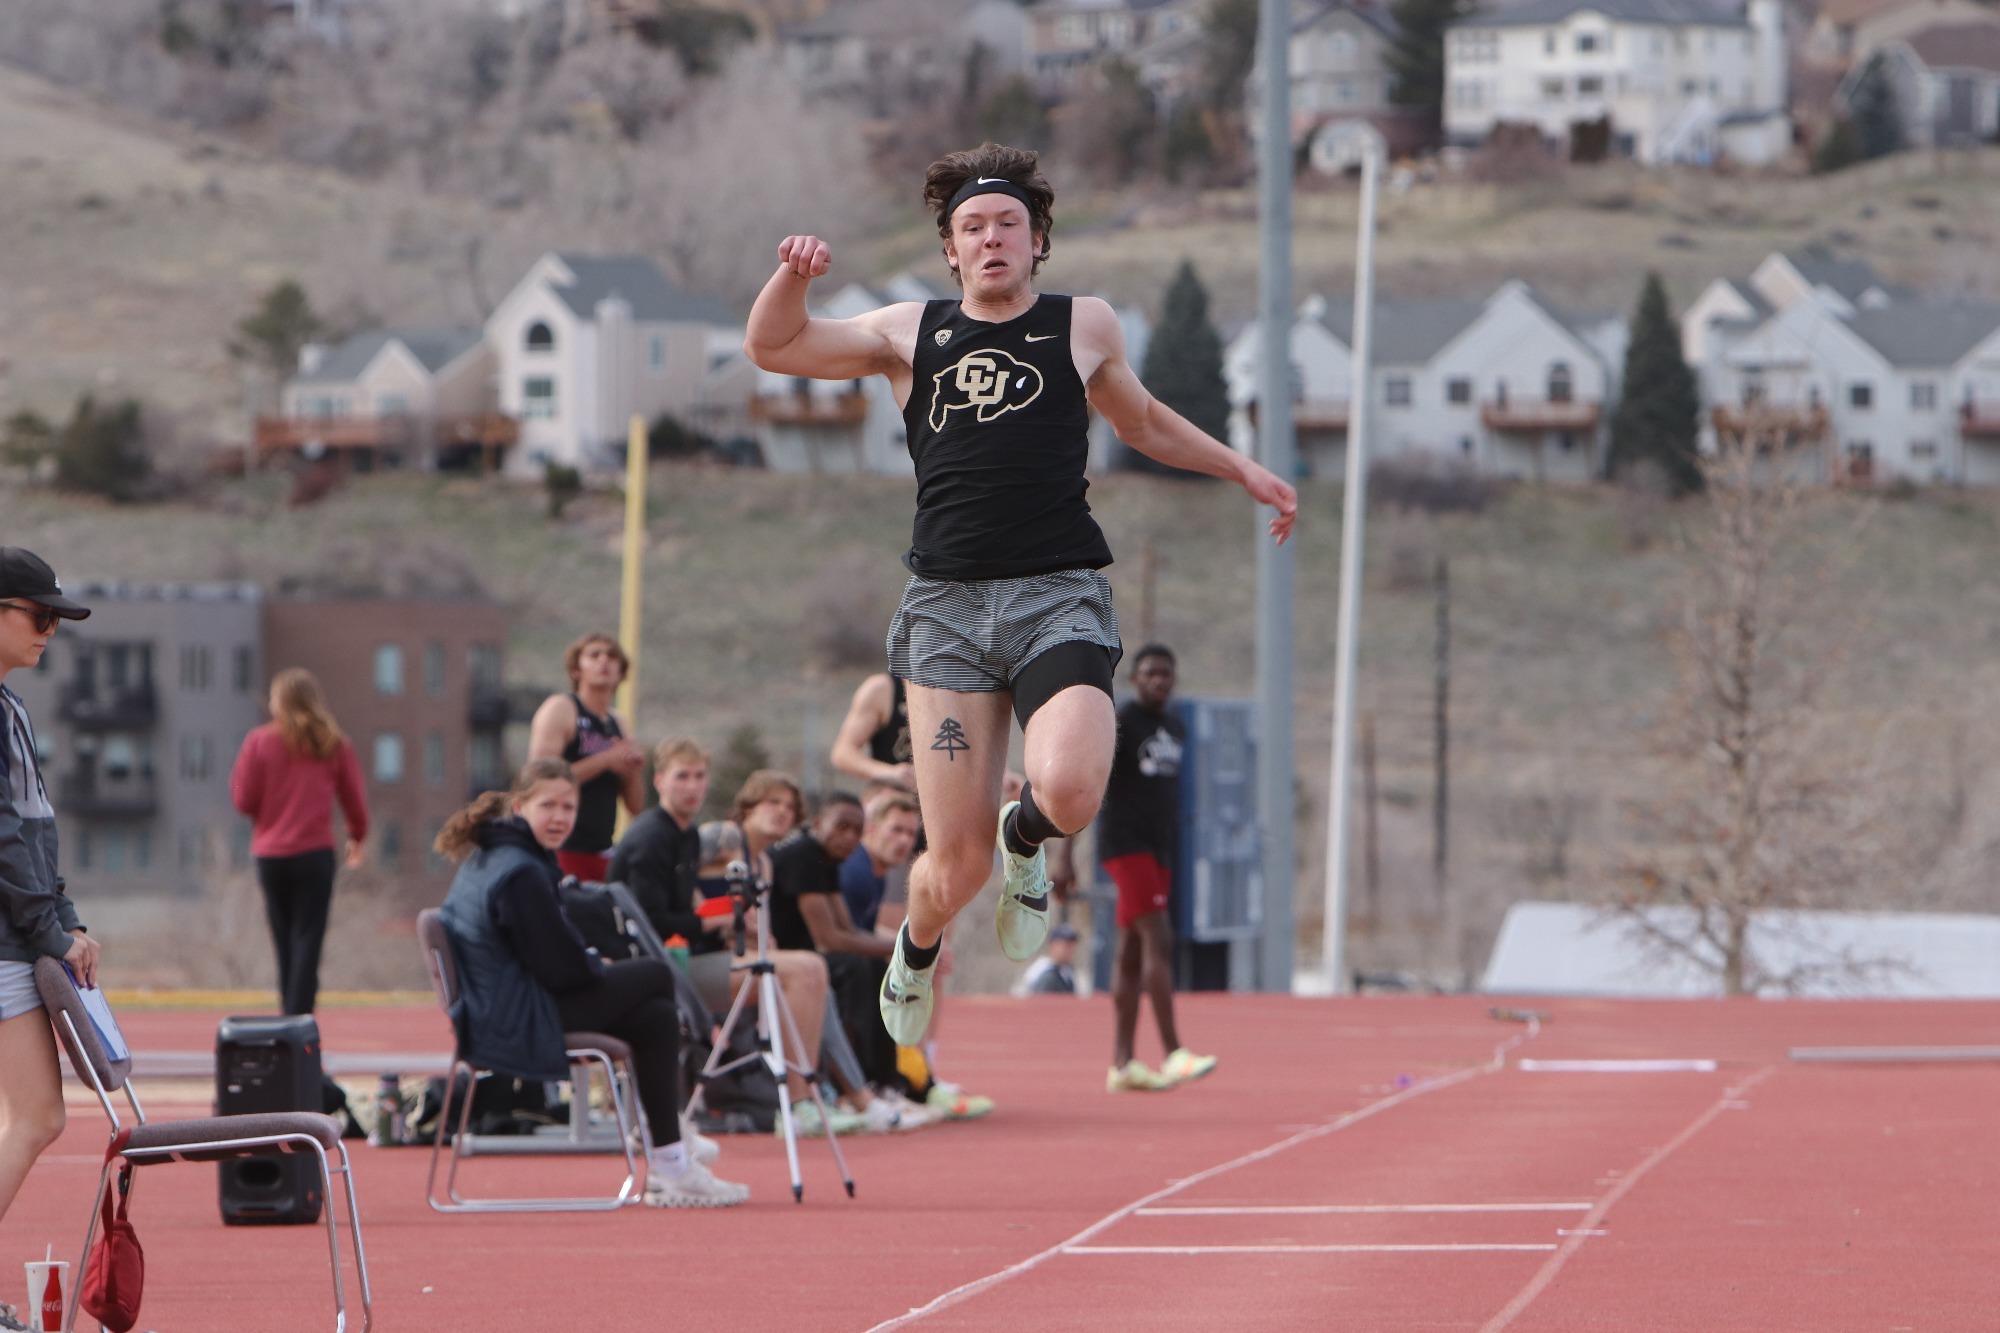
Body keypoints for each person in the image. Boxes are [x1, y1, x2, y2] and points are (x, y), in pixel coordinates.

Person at [743, 142, 1298, 1049]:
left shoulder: (1085, 325)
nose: (991, 238)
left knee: (1071, 788)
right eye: (972, 228)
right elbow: (773, 345)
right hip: (947, 612)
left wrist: (1245, 470)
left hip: (1056, 594)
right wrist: (793, 277)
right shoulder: (908, 332)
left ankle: (1028, 835)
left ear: (1038, 240)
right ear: (951, 251)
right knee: (954, 870)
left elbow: (1144, 423)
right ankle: (918, 944)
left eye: (1008, 224)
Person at [434, 758, 747, 1207]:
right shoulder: (519, 871)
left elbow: (550, 955)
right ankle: (667, 1138)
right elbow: (559, 968)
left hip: (507, 1006)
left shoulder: (498, 854)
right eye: (548, 806)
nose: (560, 817)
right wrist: (597, 964)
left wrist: (591, 964)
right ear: (520, 806)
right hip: (514, 1019)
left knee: (657, 1016)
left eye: (568, 807)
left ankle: (671, 1160)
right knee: (656, 974)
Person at [610, 740, 834, 1116]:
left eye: (699, 776)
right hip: (658, 973)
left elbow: (686, 907)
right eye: (682, 776)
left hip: (683, 963)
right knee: (803, 970)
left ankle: (810, 1096)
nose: (692, 786)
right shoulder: (652, 837)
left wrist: (730, 923)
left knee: (811, 968)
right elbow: (650, 925)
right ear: (660, 781)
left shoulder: (685, 834)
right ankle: (796, 1105)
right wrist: (724, 919)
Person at [0, 549, 96, 1294]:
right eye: (39, 615)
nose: (50, 632)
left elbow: (36, 829)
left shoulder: (10, 706)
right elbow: (4, 841)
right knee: (38, 1117)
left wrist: (65, 916)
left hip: (17, 934)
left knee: (33, 1117)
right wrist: (51, 932)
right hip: (5, 942)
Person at [1068, 644, 1216, 1091]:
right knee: (1159, 936)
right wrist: (1065, 856)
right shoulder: (1121, 723)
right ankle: (1173, 1053)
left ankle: (1123, 1064)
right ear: (1133, 679)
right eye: (1150, 673)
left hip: (1159, 850)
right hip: (1124, 844)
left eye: (1165, 674)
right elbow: (1084, 783)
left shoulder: (1176, 727)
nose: (1158, 681)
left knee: (1130, 954)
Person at [230, 668, 369, 1017]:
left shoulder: (258, 742)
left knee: (283, 941)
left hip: (271, 855)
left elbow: (243, 799)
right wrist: (356, 835)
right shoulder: (333, 743)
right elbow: (354, 799)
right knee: (308, 942)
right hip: (315, 853)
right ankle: (299, 1020)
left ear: (279, 702)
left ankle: (288, 1017)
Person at [527, 633, 645, 882]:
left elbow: (636, 807)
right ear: (576, 670)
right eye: (594, 655)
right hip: (561, 848)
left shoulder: (618, 722)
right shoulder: (562, 708)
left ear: (621, 673)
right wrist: (606, 760)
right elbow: (539, 780)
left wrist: (633, 772)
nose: (604, 661)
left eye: (612, 656)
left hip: (602, 851)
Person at [1012, 923, 1080, 997]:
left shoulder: (1067, 971)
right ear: (1053, 945)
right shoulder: (1044, 972)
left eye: (1072, 945)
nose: (1069, 950)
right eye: (1065, 945)